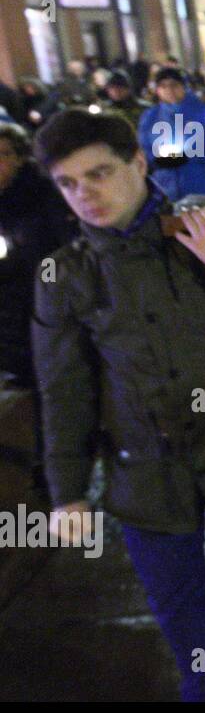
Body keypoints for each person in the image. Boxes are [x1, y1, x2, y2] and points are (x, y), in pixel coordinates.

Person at [32, 109, 205, 701]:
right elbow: (64, 389)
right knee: (182, 611)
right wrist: (68, 490)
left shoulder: (202, 232)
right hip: (146, 467)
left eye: (99, 173)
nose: (86, 195)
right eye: (68, 183)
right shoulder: (66, 275)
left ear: (138, 163)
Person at [0, 123, 76, 498]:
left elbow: (60, 253)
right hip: (5, 315)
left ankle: (53, 468)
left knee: (51, 388)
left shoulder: (40, 195)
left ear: (19, 157)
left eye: (4, 154)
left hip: (37, 307)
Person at [137, 68, 205, 203]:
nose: (169, 90)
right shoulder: (150, 117)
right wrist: (157, 160)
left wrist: (189, 156)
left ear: (183, 86)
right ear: (157, 90)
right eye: (163, 86)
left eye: (174, 85)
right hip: (165, 191)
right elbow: (143, 149)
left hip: (202, 188)